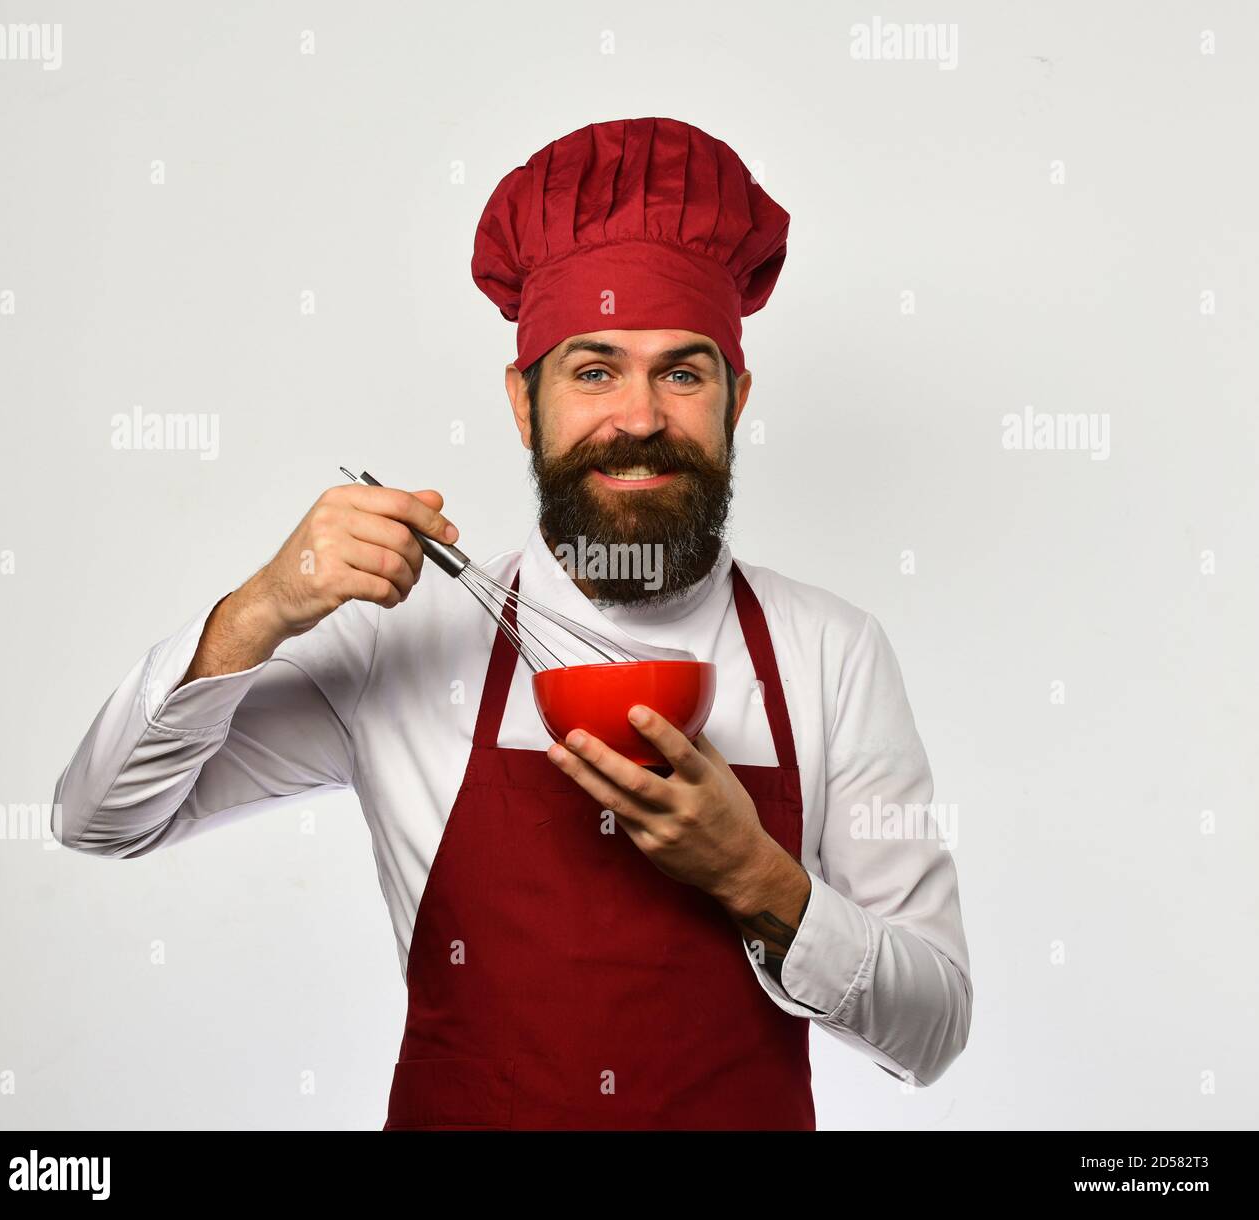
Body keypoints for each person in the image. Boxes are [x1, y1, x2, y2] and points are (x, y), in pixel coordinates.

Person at [53, 116, 972, 1130]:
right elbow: (97, 819)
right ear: (521, 403)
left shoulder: (829, 651)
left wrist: (757, 877)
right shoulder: (402, 640)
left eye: (681, 371)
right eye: (592, 370)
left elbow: (931, 1029)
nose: (637, 416)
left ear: (734, 398)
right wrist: (258, 610)